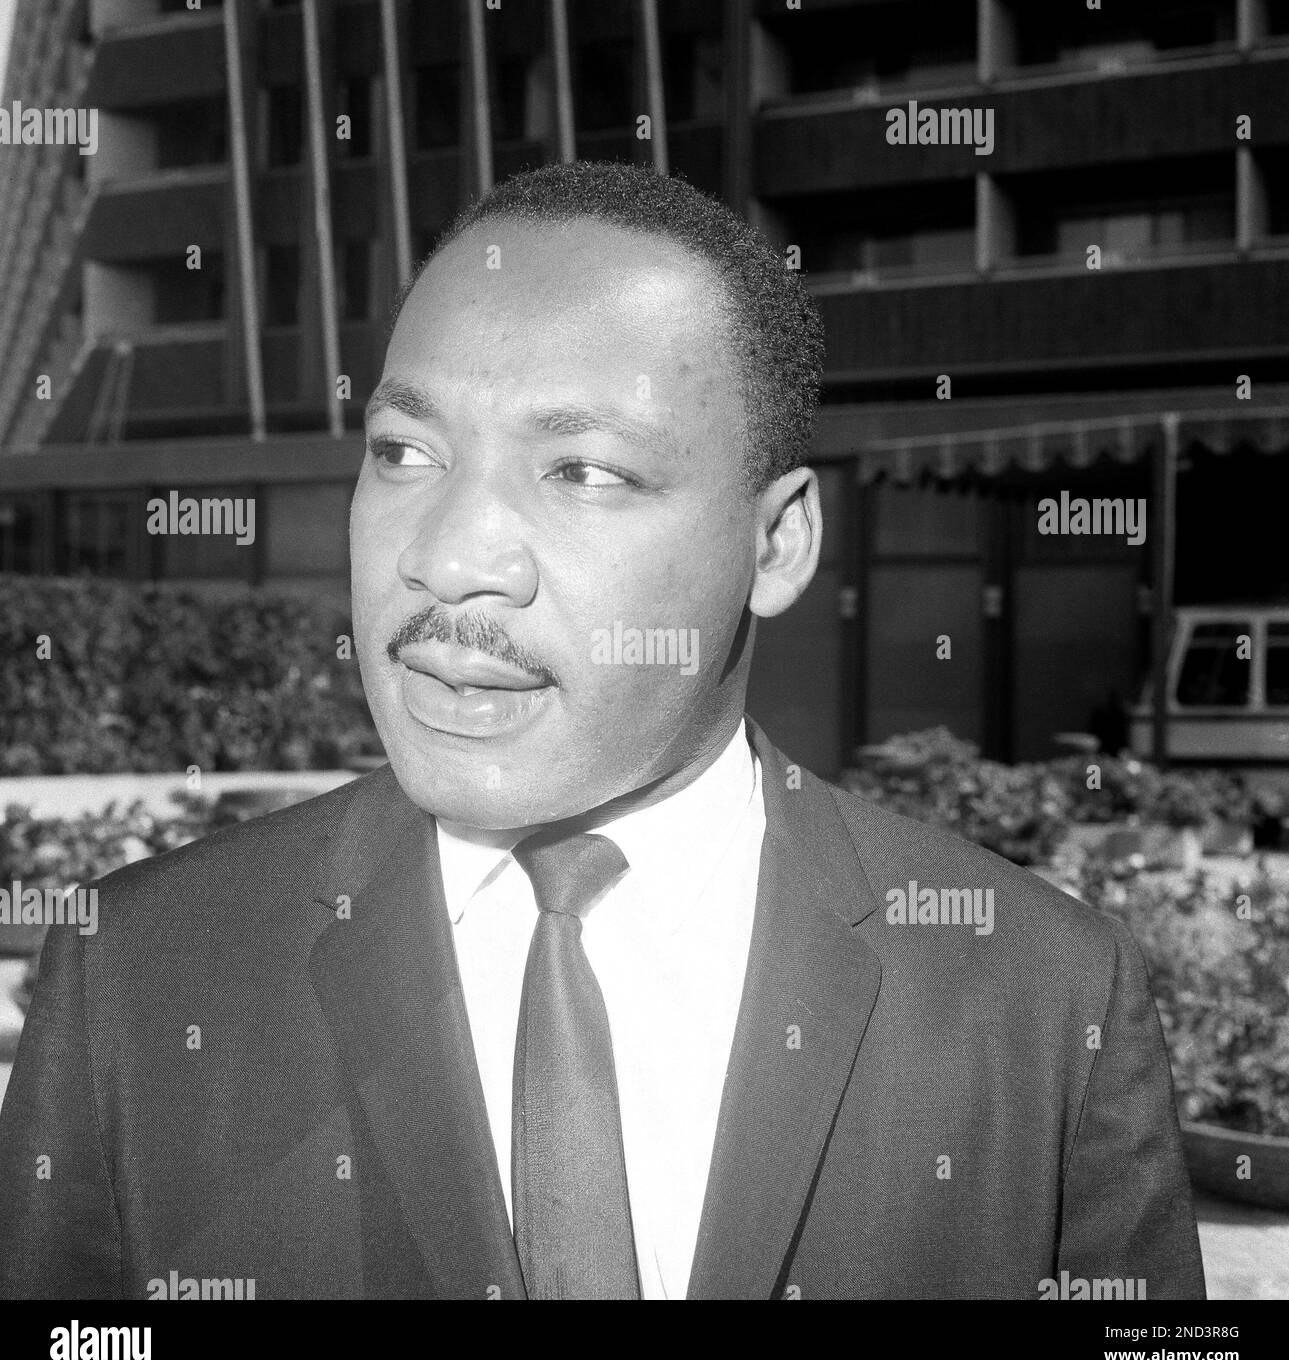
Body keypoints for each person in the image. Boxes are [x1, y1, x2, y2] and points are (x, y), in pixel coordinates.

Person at [0, 161, 1204, 1300]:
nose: (447, 557)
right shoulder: (136, 980)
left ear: (775, 542)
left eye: (581, 471)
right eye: (404, 452)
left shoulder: (1042, 999)